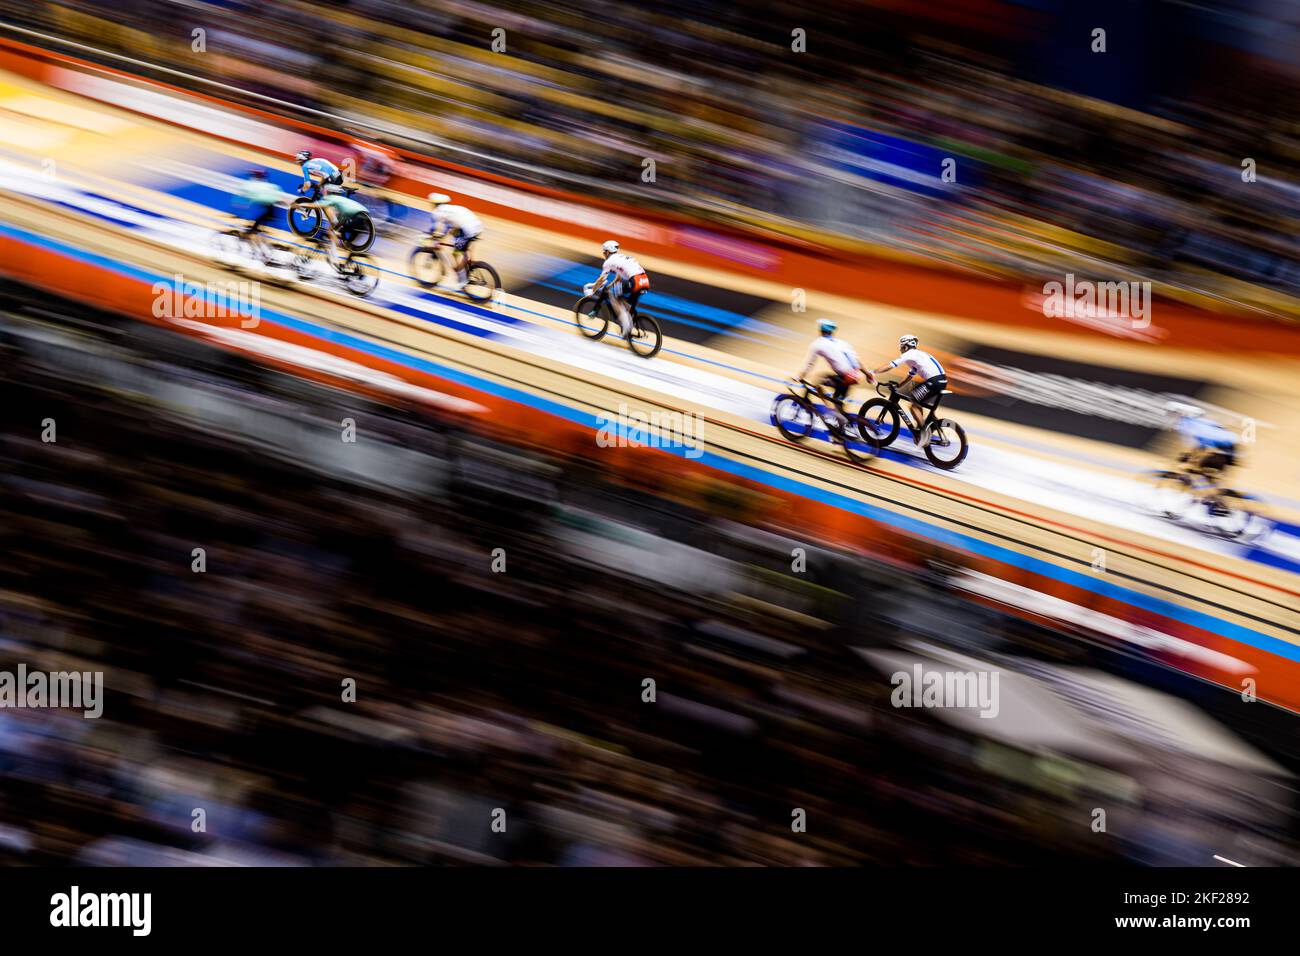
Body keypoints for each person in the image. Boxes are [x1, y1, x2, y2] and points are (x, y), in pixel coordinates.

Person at [793, 319, 867, 429]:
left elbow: (809, 364)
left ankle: (830, 411)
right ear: (832, 332)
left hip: (845, 376)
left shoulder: (817, 344)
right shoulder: (842, 343)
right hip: (855, 376)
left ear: (820, 330)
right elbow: (857, 360)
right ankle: (841, 430)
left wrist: (799, 376)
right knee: (838, 402)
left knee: (816, 381)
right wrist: (867, 374)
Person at [868, 334, 948, 430]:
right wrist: (898, 385)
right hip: (941, 380)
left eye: (901, 347)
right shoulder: (919, 354)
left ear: (905, 346)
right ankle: (921, 427)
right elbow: (910, 376)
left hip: (934, 381)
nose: (900, 349)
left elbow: (890, 365)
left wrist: (873, 372)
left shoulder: (909, 354)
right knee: (917, 402)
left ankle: (923, 433)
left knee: (913, 405)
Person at [1166, 402, 1239, 492]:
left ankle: (1210, 491)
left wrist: (1189, 460)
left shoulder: (1192, 427)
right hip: (1228, 450)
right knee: (1199, 466)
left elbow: (1200, 447)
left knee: (1200, 467)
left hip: (1225, 452)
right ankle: (1210, 488)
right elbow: (1202, 446)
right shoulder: (1199, 423)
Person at [589, 240, 649, 337]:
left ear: (608, 252)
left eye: (604, 252)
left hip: (635, 281)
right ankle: (630, 319)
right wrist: (610, 286)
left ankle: (626, 326)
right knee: (624, 300)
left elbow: (601, 280)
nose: (603, 254)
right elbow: (619, 277)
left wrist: (592, 291)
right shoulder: (621, 258)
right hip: (644, 281)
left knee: (617, 300)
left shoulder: (608, 262)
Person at [427, 193, 483, 291]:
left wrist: (433, 238)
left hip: (467, 230)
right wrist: (442, 236)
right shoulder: (452, 209)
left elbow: (435, 229)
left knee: (455, 253)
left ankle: (462, 280)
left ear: (434, 204)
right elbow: (449, 228)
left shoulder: (438, 212)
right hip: (477, 227)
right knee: (458, 239)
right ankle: (469, 262)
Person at [295, 184, 369, 254]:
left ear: (328, 192)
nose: (323, 193)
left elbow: (314, 205)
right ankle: (345, 258)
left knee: (331, 231)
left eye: (324, 191)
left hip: (355, 218)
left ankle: (334, 256)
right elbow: (339, 217)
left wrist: (298, 205)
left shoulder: (330, 198)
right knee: (347, 245)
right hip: (363, 216)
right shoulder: (340, 199)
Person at [233, 169, 284, 250]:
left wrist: (234, 212)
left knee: (253, 227)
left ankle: (248, 237)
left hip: (266, 210)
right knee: (256, 226)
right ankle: (257, 242)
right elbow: (280, 200)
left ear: (255, 176)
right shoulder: (271, 186)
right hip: (272, 210)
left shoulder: (252, 185)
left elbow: (241, 200)